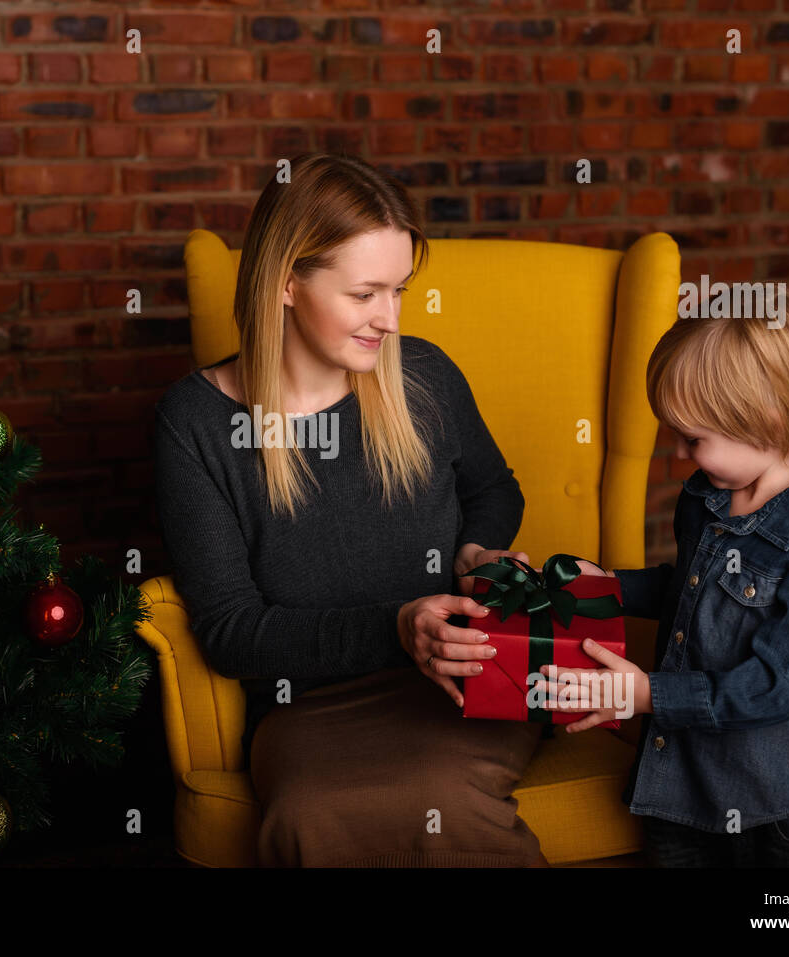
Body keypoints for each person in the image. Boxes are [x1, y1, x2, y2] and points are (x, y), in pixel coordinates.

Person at [153, 152, 547, 866]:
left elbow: (494, 490)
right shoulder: (195, 422)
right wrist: (398, 627)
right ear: (286, 283)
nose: (390, 319)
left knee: (444, 795)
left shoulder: (424, 375)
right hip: (307, 706)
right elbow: (231, 631)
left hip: (458, 682)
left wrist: (475, 552)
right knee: (311, 811)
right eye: (366, 294)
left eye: (399, 291)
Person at [536, 292, 789, 867]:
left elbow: (777, 686)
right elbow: (692, 593)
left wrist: (646, 694)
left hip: (770, 810)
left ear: (769, 420)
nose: (681, 451)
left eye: (694, 438)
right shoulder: (706, 500)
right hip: (678, 782)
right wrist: (608, 586)